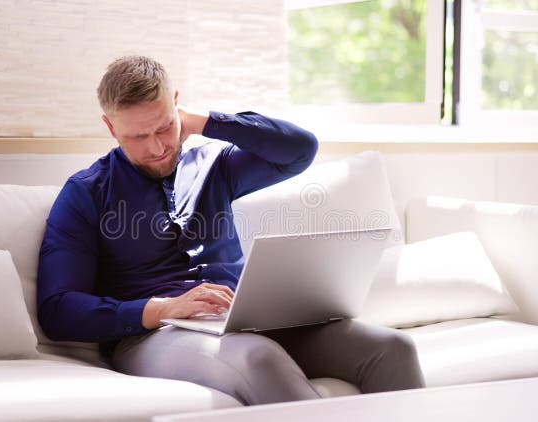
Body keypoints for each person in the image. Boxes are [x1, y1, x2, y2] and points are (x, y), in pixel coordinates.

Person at [37, 55, 425, 405]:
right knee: (259, 356)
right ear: (110, 127)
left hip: (244, 319)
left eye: (165, 127)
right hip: (153, 336)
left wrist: (208, 122)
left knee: (393, 347)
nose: (157, 147)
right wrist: (160, 309)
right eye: (138, 137)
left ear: (177, 105)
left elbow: (299, 149)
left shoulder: (214, 164)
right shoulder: (86, 193)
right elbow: (57, 310)